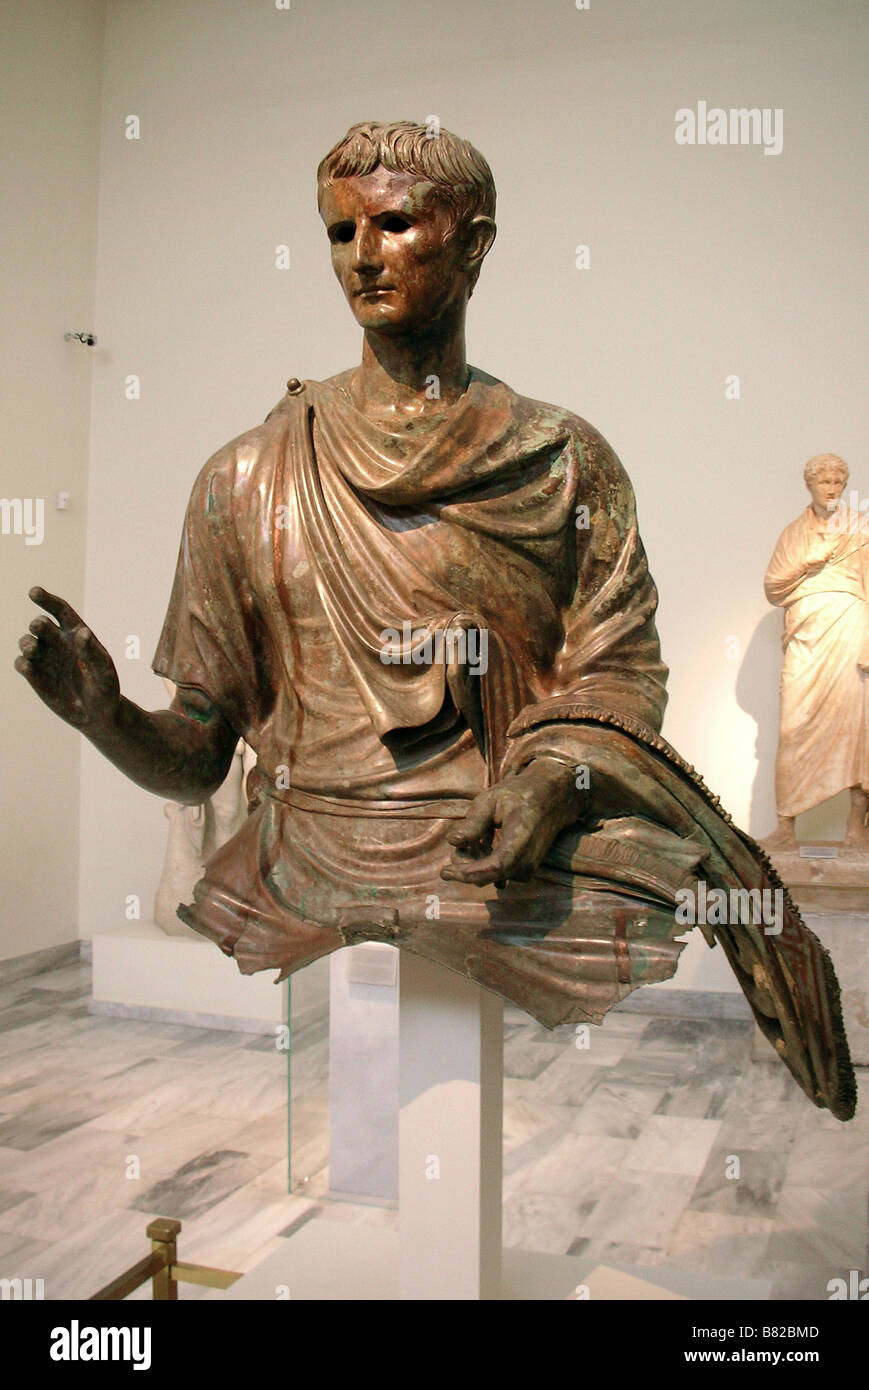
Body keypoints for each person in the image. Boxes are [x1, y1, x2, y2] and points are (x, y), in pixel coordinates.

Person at [15, 121, 854, 1117]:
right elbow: (199, 757)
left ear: (473, 240)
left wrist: (544, 785)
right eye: (337, 232)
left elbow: (620, 675)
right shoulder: (247, 478)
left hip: (506, 853)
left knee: (691, 875)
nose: (361, 255)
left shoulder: (561, 460)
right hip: (304, 857)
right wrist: (104, 718)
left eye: (395, 223)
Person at [764, 453, 869, 849]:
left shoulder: (860, 528)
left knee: (857, 728)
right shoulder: (794, 534)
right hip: (806, 635)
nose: (832, 489)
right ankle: (785, 827)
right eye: (824, 483)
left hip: (849, 628)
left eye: (838, 484)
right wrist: (807, 562)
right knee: (793, 725)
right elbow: (774, 588)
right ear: (809, 486)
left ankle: (856, 828)